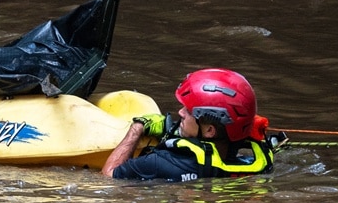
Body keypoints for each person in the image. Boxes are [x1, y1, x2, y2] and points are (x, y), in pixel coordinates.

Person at [102, 67, 287, 182]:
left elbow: (108, 176)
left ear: (209, 130)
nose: (180, 113)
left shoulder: (164, 162)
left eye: (189, 111)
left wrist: (138, 128)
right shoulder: (261, 161)